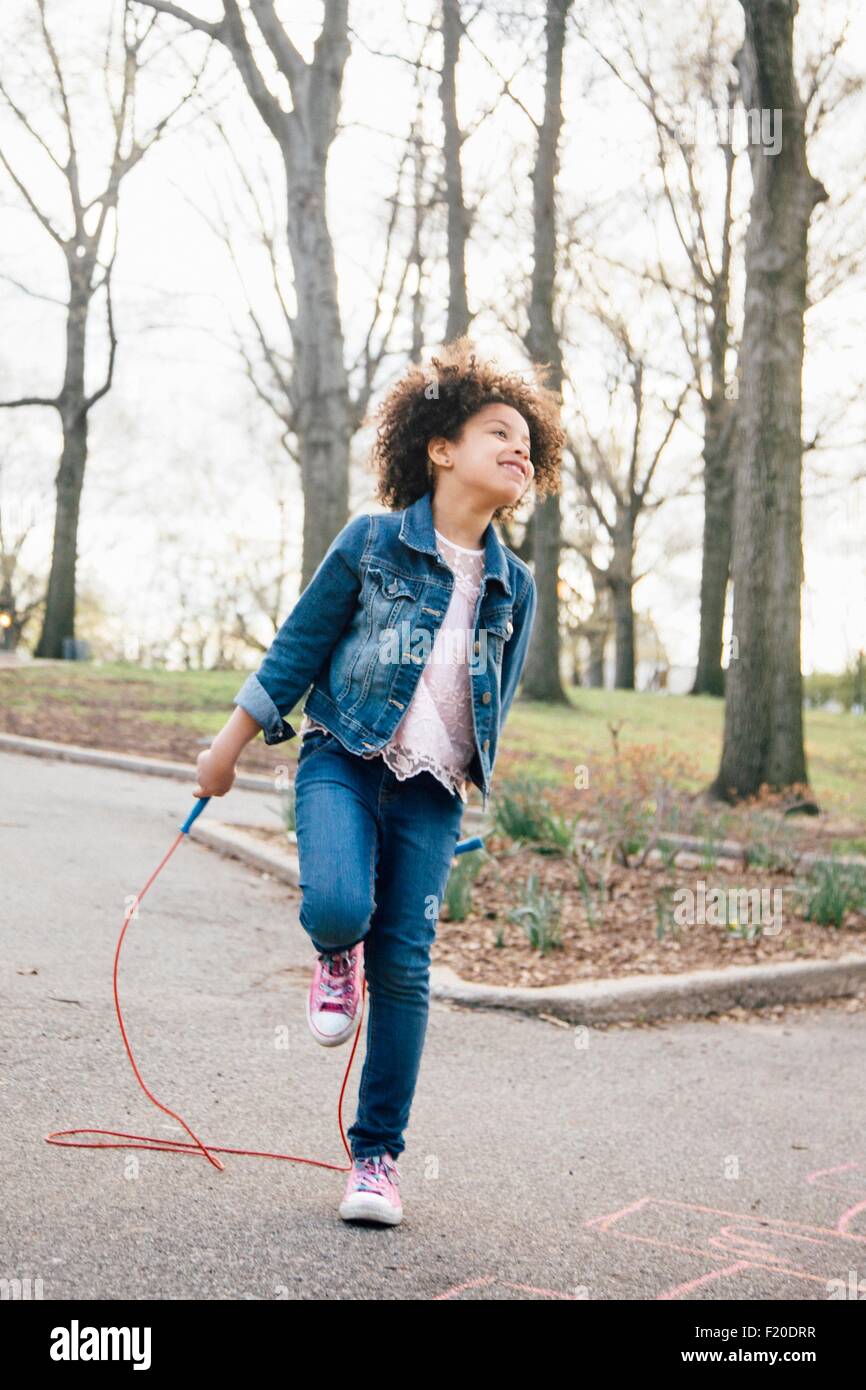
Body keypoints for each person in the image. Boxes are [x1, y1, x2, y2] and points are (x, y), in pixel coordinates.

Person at [192, 337, 564, 1225]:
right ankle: (331, 957)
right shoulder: (370, 542)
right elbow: (296, 650)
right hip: (343, 760)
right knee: (336, 906)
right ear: (440, 449)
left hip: (434, 793)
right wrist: (228, 745)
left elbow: (495, 705)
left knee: (404, 970)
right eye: (498, 433)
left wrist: (474, 779)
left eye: (528, 443)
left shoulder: (517, 585)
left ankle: (377, 1160)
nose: (520, 450)